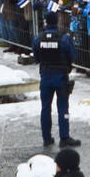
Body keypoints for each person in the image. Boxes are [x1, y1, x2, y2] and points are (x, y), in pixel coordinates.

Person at [33, 12, 81, 148]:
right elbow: (73, 55)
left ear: (45, 22)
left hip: (46, 76)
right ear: (57, 21)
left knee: (45, 108)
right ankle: (64, 137)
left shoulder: (39, 38)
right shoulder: (64, 38)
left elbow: (36, 58)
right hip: (60, 76)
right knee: (63, 108)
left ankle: (46, 138)